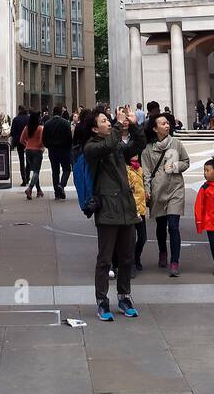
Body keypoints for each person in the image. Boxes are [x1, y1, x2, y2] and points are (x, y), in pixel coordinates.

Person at [83, 105, 145, 320]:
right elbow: (108, 145)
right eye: (104, 121)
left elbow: (139, 145)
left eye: (108, 121)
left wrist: (134, 125)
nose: (108, 123)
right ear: (93, 129)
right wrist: (119, 125)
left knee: (127, 257)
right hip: (107, 209)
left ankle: (124, 296)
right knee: (105, 259)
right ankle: (102, 301)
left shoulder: (116, 143)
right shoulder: (91, 147)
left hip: (126, 208)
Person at [142, 112, 190, 276]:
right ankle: (163, 251)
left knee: (174, 227)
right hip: (158, 191)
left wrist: (175, 167)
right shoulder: (148, 149)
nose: (167, 125)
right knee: (161, 226)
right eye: (162, 124)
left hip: (175, 188)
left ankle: (174, 262)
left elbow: (186, 162)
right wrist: (147, 190)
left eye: (167, 123)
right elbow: (146, 172)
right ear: (155, 129)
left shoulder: (176, 143)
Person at [43, 104, 73, 199]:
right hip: (64, 149)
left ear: (53, 112)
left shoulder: (47, 123)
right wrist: (69, 147)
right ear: (61, 113)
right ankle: (62, 184)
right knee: (67, 169)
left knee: (55, 171)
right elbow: (69, 138)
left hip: (52, 150)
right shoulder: (65, 123)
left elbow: (44, 139)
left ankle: (57, 191)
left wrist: (48, 146)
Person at [20, 110, 45, 200]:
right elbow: (42, 141)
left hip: (28, 150)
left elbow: (21, 140)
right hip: (37, 151)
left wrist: (27, 144)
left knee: (34, 171)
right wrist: (41, 147)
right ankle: (29, 188)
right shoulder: (39, 128)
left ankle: (38, 190)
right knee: (36, 172)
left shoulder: (27, 128)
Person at [9, 105, 28, 184]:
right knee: (28, 160)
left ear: (19, 110)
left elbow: (13, 132)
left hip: (19, 142)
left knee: (21, 160)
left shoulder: (15, 119)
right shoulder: (28, 118)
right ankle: (27, 175)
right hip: (28, 141)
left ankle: (24, 178)